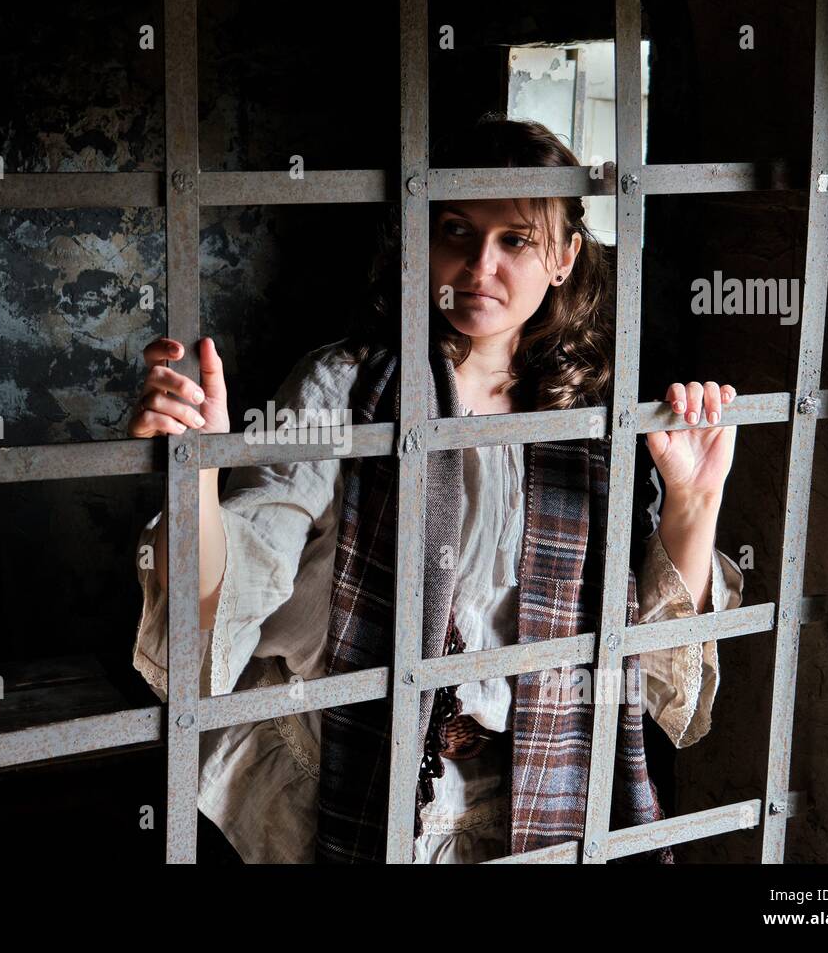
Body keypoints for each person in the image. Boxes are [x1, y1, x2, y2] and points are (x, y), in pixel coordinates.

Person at [127, 116, 744, 863]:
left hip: (532, 797)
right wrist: (199, 478)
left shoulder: (588, 418)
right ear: (421, 238)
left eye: (515, 239)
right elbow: (235, 591)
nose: (480, 264)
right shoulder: (345, 387)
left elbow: (646, 669)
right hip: (339, 774)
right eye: (456, 229)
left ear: (564, 258)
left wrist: (694, 503)